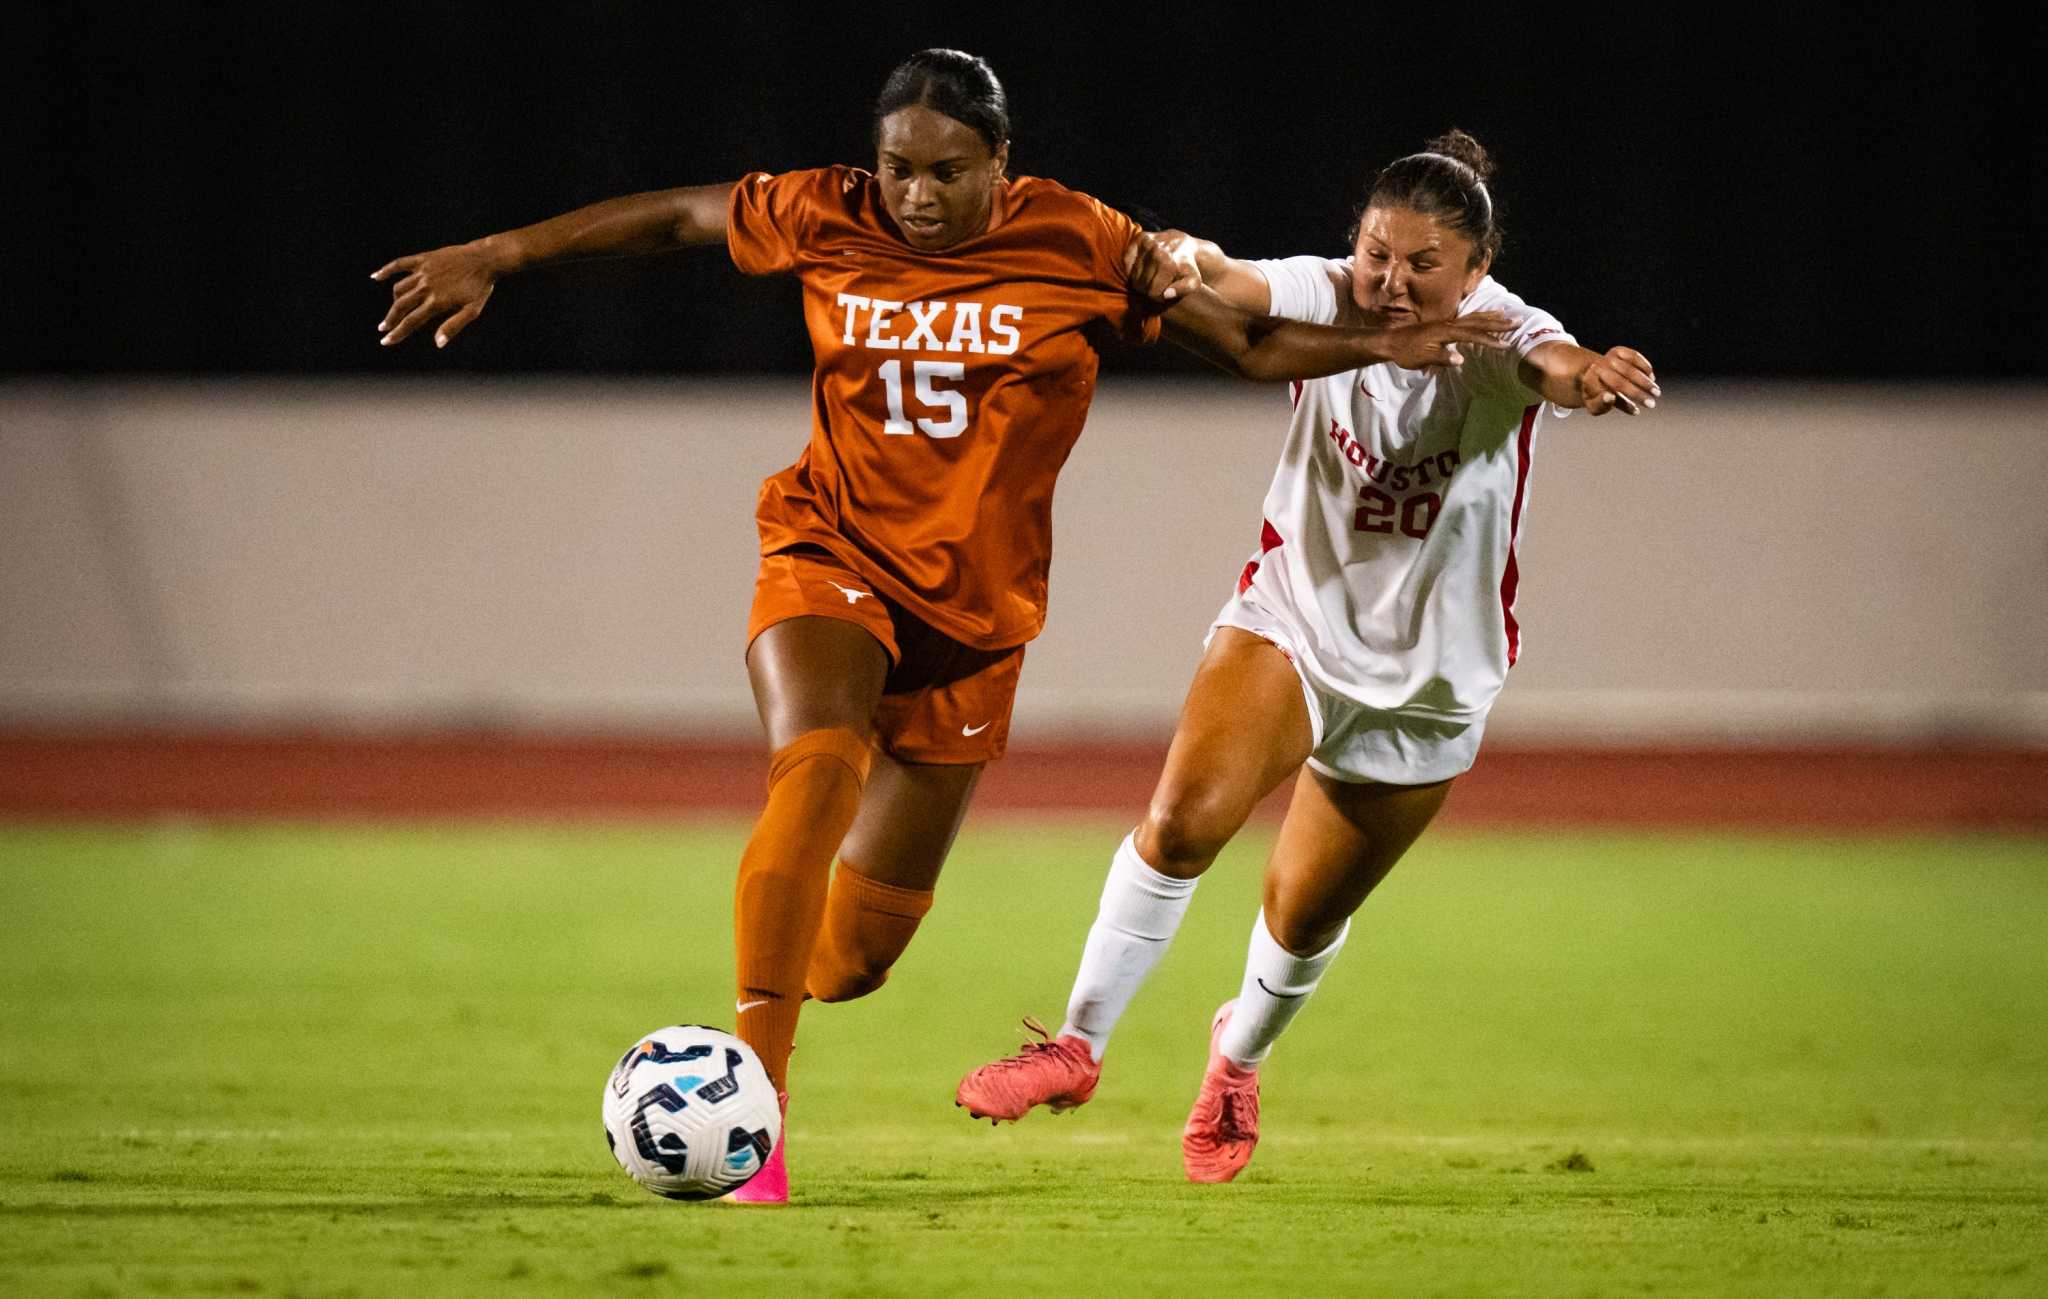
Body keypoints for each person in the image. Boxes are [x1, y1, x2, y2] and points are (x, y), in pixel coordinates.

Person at [375, 53, 1512, 1204]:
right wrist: (497, 254)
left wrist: (1381, 342)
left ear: (999, 167)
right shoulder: (825, 212)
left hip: (972, 623)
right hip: (829, 554)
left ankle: (773, 984)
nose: (914, 195)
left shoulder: (1072, 239)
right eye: (897, 168)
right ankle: (756, 1117)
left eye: (945, 173)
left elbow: (1250, 347)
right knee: (814, 768)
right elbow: (679, 215)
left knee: (854, 959)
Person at [954, 130, 1660, 1183]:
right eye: (1378, 253)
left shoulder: (1503, 333)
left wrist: (1589, 372)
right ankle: (1075, 1046)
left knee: (1302, 915)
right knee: (1184, 825)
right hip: (1293, 625)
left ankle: (1233, 1065)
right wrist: (1180, 255)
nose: (1391, 281)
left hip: (1427, 686)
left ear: (1475, 270)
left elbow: (1546, 365)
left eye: (1422, 265)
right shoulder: (1327, 295)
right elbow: (1231, 277)